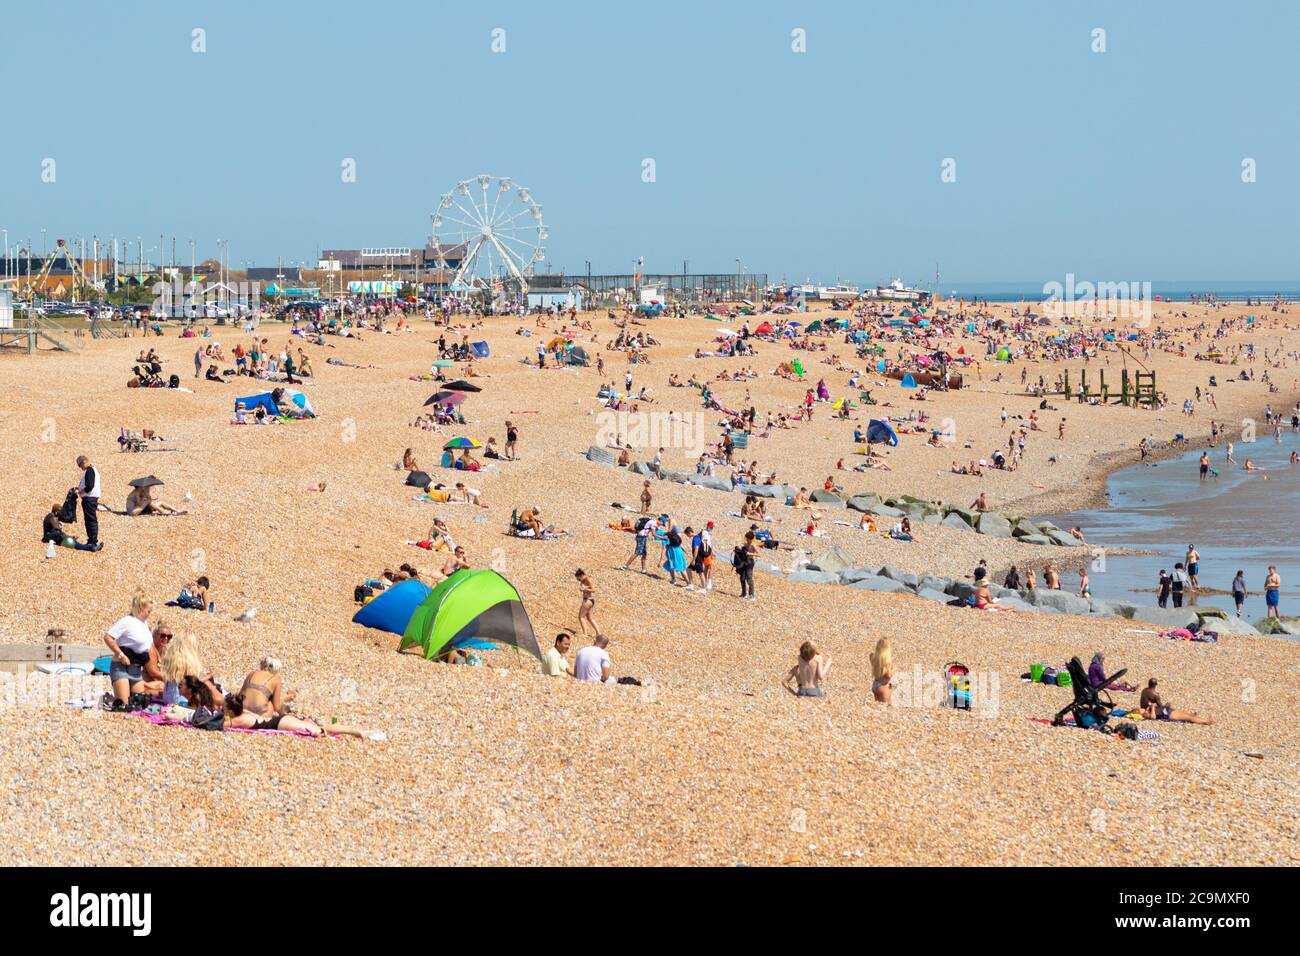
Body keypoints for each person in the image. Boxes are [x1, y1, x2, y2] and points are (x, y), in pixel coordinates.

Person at [102, 591, 161, 706]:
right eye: (148, 611)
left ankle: (113, 697)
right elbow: (108, 637)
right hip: (121, 666)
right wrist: (121, 655)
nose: (149, 613)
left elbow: (148, 644)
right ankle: (109, 699)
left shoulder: (144, 624)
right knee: (124, 704)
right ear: (140, 608)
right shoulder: (127, 621)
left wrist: (158, 656)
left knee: (139, 703)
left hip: (136, 668)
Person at [1139, 678, 1213, 725]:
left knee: (1188, 715)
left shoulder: (1144, 691)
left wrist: (1151, 707)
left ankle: (1203, 719)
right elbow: (1153, 717)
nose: (1140, 710)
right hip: (1167, 713)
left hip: (1166, 711)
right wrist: (1152, 707)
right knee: (1189, 718)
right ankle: (1206, 721)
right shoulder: (1155, 695)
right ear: (1155, 685)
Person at [74, 455, 102, 551]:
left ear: (83, 462)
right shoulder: (93, 470)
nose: (80, 468)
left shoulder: (90, 470)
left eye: (80, 465)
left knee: (90, 520)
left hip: (89, 499)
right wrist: (79, 488)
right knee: (90, 519)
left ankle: (93, 542)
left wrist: (80, 492)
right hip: (91, 498)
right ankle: (91, 541)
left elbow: (89, 486)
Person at [574, 569, 600, 637]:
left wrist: (584, 589)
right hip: (589, 600)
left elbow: (594, 590)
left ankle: (585, 634)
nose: (579, 580)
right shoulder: (584, 580)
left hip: (587, 600)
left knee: (581, 617)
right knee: (590, 618)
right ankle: (598, 633)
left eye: (578, 579)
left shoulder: (587, 579)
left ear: (581, 575)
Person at [735, 531, 759, 600]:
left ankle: (752, 595)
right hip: (744, 561)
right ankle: (743, 593)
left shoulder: (753, 545)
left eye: (748, 539)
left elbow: (759, 554)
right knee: (742, 577)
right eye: (746, 538)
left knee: (749, 578)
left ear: (750, 539)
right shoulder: (745, 544)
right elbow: (741, 547)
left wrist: (750, 553)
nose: (747, 540)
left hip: (750, 562)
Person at [869, 638, 893, 703]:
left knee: (879, 708)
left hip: (875, 684)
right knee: (885, 709)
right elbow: (888, 676)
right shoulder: (887, 662)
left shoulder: (873, 657)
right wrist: (893, 669)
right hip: (883, 686)